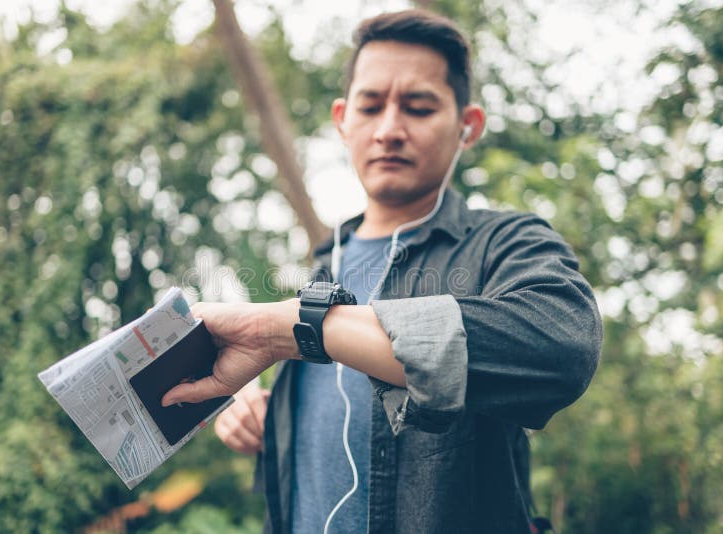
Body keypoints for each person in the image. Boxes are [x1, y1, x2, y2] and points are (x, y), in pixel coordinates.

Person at [162, 9, 602, 533]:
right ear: (343, 120)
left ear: (468, 126)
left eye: (418, 107)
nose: (390, 129)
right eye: (371, 106)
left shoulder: (504, 243)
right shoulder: (324, 268)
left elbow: (561, 346)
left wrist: (288, 328)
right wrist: (258, 414)